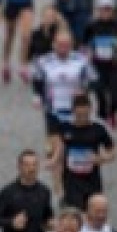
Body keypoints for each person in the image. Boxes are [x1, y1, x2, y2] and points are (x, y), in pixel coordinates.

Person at [30, 31, 97, 159]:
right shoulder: (43, 61)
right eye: (60, 45)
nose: (63, 49)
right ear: (53, 44)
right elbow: (37, 80)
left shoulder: (81, 60)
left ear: (71, 45)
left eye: (66, 45)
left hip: (76, 108)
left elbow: (94, 80)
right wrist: (37, 97)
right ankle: (56, 163)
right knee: (55, 147)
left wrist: (84, 90)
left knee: (72, 143)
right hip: (53, 107)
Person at [48, 94, 115, 211]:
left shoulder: (98, 129)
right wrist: (53, 163)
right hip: (71, 180)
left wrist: (101, 159)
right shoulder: (65, 128)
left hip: (92, 180)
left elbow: (112, 152)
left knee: (92, 212)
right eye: (79, 115)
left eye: (85, 114)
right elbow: (60, 150)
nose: (82, 117)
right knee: (75, 213)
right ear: (73, 111)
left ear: (90, 110)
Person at [81, 0, 117, 128]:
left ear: (113, 11)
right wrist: (87, 58)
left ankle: (112, 113)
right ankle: (101, 124)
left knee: (116, 97)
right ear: (98, 10)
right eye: (103, 9)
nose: (105, 12)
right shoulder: (91, 26)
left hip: (113, 66)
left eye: (108, 9)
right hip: (97, 66)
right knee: (100, 95)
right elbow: (85, 45)